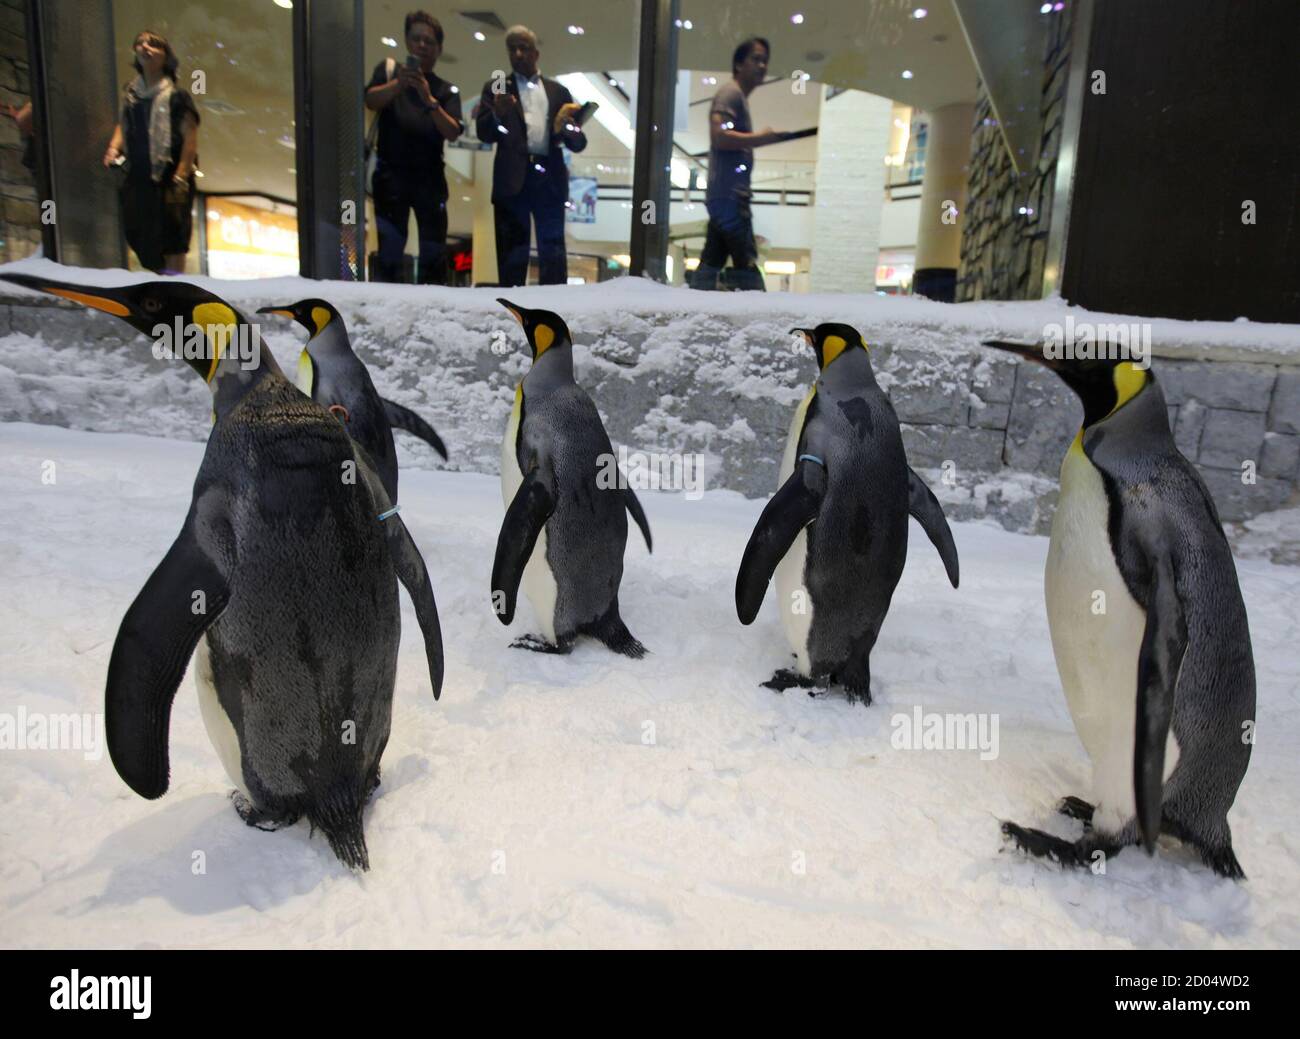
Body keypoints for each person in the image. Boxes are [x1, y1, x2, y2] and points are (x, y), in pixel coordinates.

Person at [474, 25, 587, 287]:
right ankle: (512, 315)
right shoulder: (496, 88)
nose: (517, 53)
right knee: (511, 260)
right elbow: (483, 133)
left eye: (523, 48)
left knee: (554, 258)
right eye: (512, 48)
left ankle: (556, 317)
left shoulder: (558, 92)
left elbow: (577, 142)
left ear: (536, 54)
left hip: (549, 181)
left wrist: (573, 129)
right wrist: (497, 114)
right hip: (511, 183)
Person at [365, 10, 463, 284]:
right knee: (390, 252)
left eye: (428, 41)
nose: (422, 45)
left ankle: (434, 315)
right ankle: (385, 311)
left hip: (430, 180)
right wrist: (399, 85)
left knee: (434, 253)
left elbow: (453, 131)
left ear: (438, 49)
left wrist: (428, 98)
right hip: (390, 177)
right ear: (407, 42)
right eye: (416, 39)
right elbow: (371, 100)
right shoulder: (387, 72)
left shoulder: (446, 90)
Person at [102, 30, 200, 274]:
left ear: (166, 56)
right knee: (141, 230)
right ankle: (161, 283)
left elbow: (190, 135)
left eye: (154, 44)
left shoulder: (177, 96)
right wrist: (114, 148)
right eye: (140, 43)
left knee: (173, 234)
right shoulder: (131, 95)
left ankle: (175, 289)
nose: (146, 47)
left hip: (169, 176)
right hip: (140, 174)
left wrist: (181, 174)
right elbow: (123, 124)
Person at [692, 37, 784, 291]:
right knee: (746, 268)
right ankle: (760, 320)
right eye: (756, 59)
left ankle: (689, 312)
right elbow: (719, 136)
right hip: (730, 198)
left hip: (727, 196)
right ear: (738, 64)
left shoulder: (736, 97)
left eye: (765, 61)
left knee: (711, 262)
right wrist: (760, 139)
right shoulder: (730, 94)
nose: (762, 65)